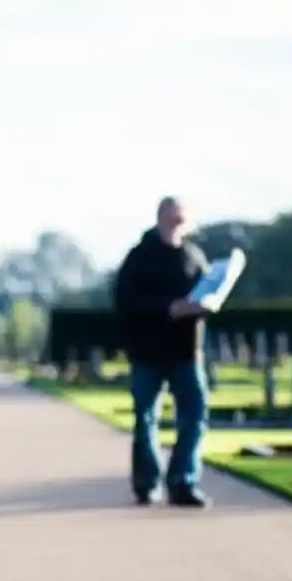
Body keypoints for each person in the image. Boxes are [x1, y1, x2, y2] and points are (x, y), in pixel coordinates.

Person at [112, 196, 212, 508]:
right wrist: (168, 307)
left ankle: (183, 482)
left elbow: (207, 292)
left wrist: (205, 305)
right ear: (160, 217)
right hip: (148, 351)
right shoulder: (139, 256)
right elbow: (124, 300)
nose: (176, 224)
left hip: (187, 352)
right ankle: (146, 483)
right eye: (172, 218)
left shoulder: (194, 256)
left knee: (194, 417)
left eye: (181, 219)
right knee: (145, 419)